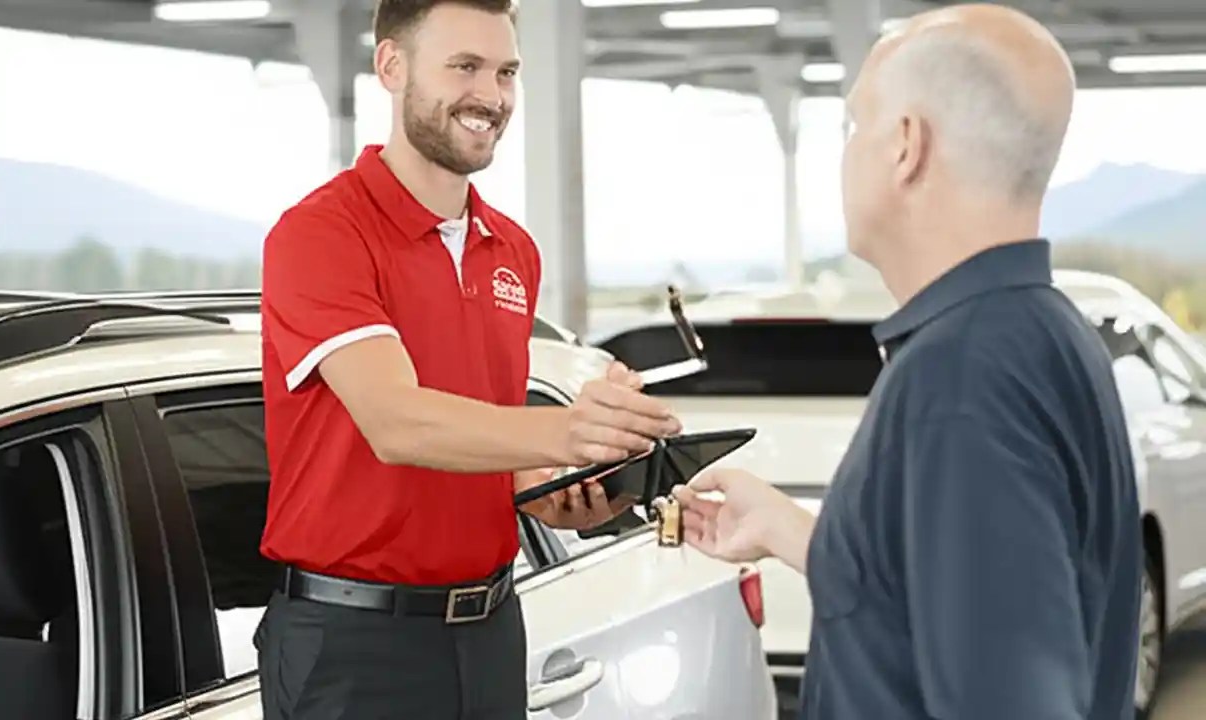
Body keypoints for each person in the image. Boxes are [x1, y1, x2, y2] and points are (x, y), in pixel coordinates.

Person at [672, 5, 1142, 720]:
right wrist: (794, 531)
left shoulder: (961, 379)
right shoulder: (1045, 334)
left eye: (855, 125)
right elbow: (961, 603)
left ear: (904, 146)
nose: (849, 150)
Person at [252, 1, 682, 718]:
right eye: (465, 67)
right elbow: (399, 424)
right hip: (352, 644)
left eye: (507, 71)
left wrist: (565, 488)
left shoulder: (512, 249)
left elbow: (484, 436)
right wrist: (573, 430)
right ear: (391, 67)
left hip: (490, 629)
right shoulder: (321, 236)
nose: (492, 95)